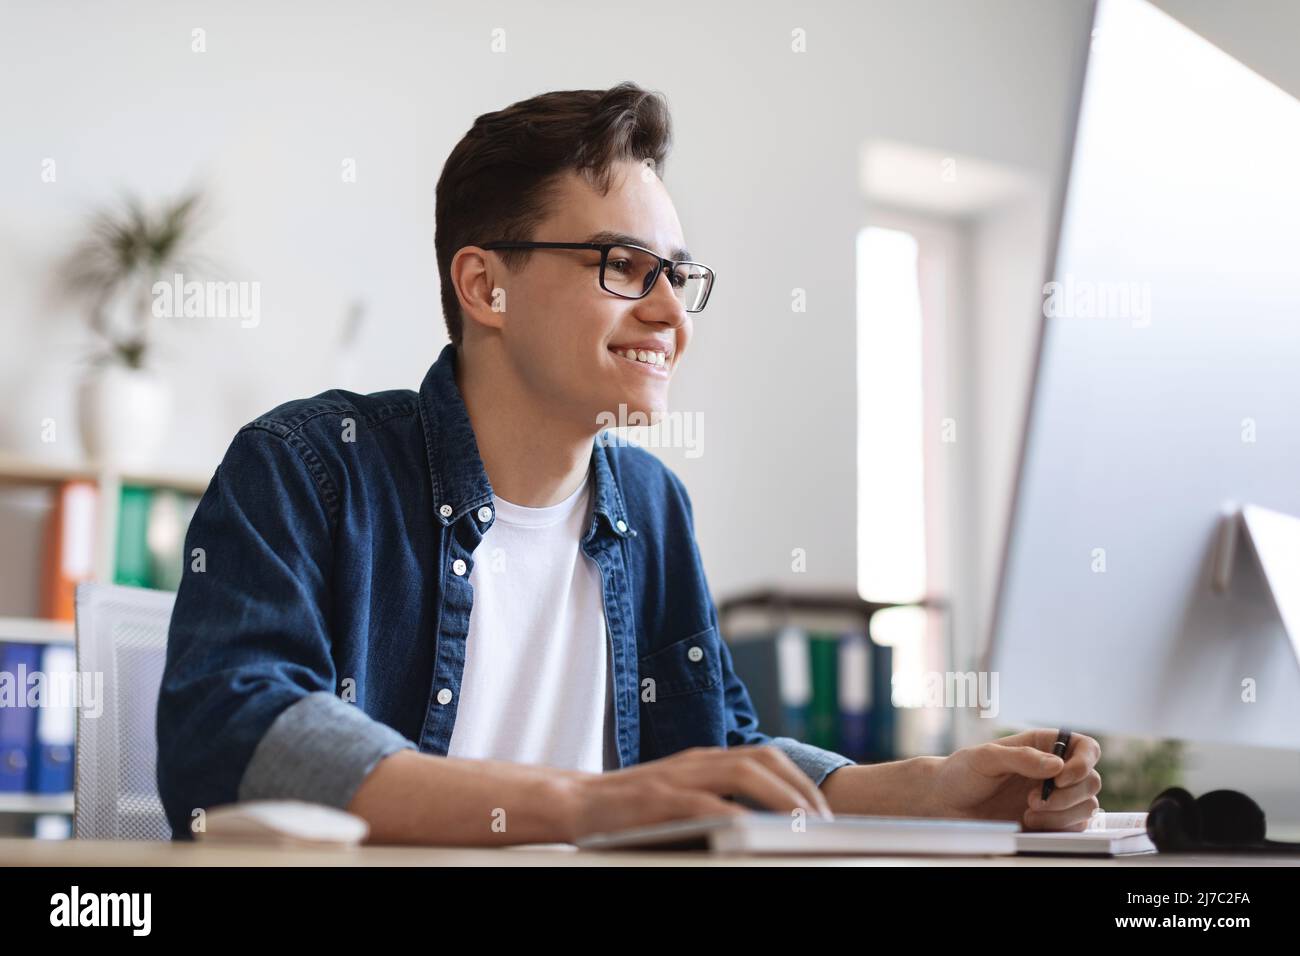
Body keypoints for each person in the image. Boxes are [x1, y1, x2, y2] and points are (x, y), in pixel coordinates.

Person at [156, 82, 1101, 845]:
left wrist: (929, 789)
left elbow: (720, 751)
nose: (670, 314)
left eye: (678, 275)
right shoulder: (312, 468)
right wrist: (582, 805)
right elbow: (232, 736)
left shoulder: (649, 504)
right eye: (622, 265)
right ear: (485, 285)